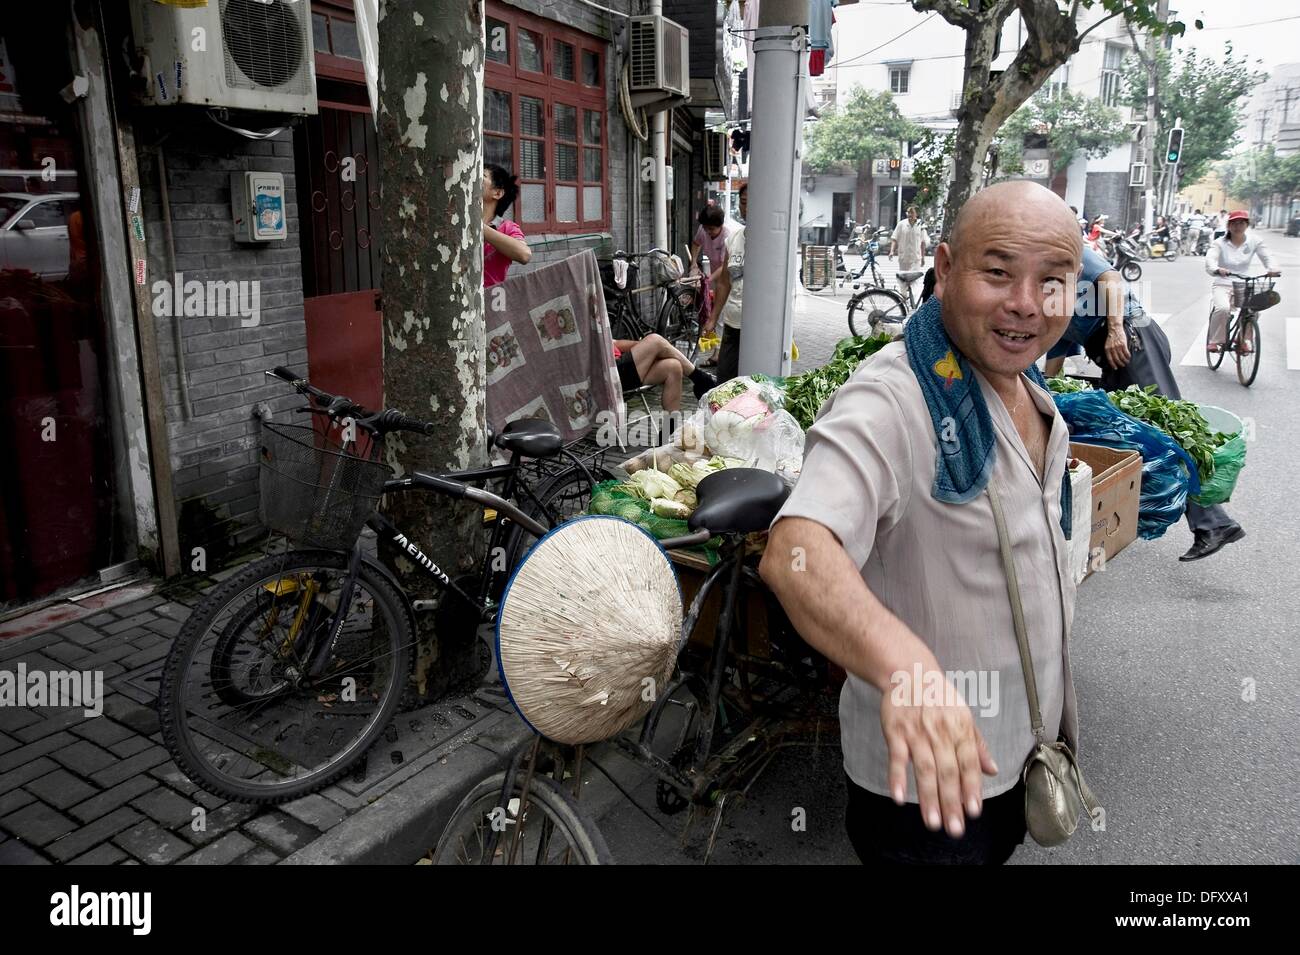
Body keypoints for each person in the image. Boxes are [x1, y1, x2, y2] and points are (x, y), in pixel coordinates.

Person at [760, 181, 1085, 864]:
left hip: (1011, 756)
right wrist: (906, 666)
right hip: (925, 797)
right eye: (997, 272)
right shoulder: (894, 398)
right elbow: (797, 549)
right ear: (943, 268)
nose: (1026, 302)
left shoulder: (1027, 386)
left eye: (1051, 280)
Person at [1043, 246, 1249, 561]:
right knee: (1138, 438)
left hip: (1130, 337)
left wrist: (1114, 330)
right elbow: (1054, 356)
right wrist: (1046, 393)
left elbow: (1110, 278)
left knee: (1168, 437)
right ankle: (1200, 521)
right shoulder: (1049, 298)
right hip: (1114, 356)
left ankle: (1213, 523)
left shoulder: (1068, 250)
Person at [1206, 210, 1281, 355]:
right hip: (1223, 282)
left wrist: (1273, 269)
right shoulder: (1220, 243)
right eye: (1234, 223)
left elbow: (1268, 257)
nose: (1237, 226)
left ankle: (1243, 340)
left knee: (1254, 312)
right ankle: (1215, 340)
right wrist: (1216, 269)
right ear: (1228, 225)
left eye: (1241, 223)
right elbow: (1210, 259)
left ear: (1247, 225)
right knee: (1222, 308)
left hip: (1244, 283)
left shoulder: (1255, 241)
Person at [610, 332, 715, 416]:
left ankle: (668, 431)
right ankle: (700, 378)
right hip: (608, 374)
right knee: (655, 340)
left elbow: (614, 343)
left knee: (673, 366)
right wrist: (653, 346)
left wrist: (646, 348)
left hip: (620, 369)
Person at [710, 184, 747, 382]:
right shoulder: (733, 238)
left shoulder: (772, 242)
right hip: (733, 324)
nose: (747, 208)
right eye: (743, 202)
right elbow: (724, 282)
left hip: (757, 329)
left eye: (752, 203)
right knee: (724, 381)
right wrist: (713, 317)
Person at [482, 165, 531, 287]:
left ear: (497, 193)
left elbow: (524, 254)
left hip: (491, 301)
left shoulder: (508, 228)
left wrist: (480, 228)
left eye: (482, 176)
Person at [889, 204, 930, 296]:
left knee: (914, 281)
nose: (909, 214)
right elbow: (894, 238)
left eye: (912, 212)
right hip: (903, 258)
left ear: (916, 214)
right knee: (903, 280)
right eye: (908, 212)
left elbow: (923, 242)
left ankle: (912, 301)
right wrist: (892, 251)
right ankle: (903, 298)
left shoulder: (921, 225)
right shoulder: (901, 224)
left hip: (916, 258)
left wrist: (923, 258)